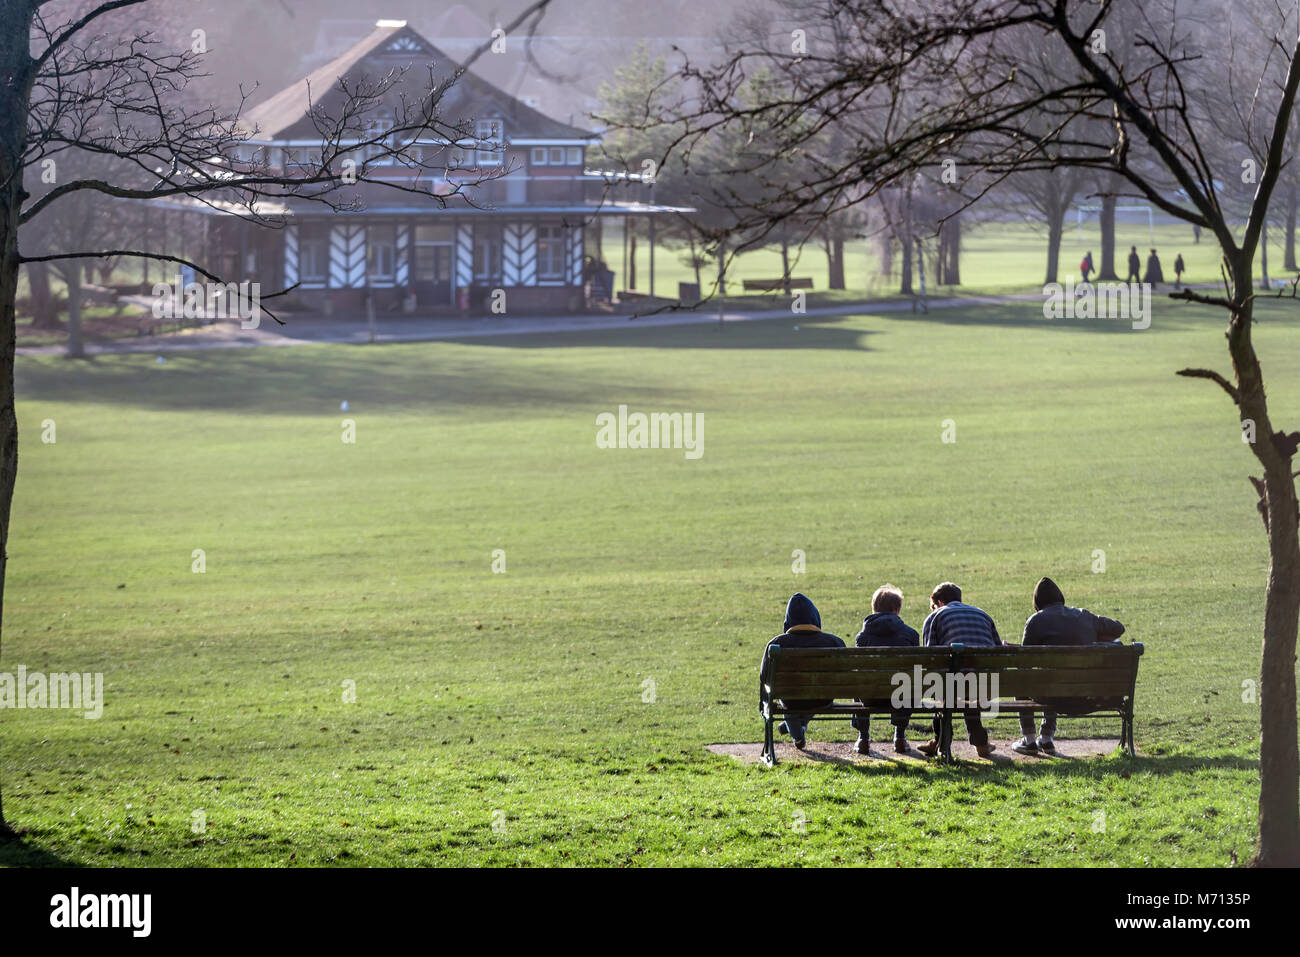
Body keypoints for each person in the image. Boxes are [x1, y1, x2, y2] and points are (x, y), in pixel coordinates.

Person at [1013, 577, 1127, 755]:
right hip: (1087, 696)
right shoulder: (1084, 616)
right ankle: (1046, 738)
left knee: (1024, 679)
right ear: (1060, 597)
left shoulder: (1036, 621)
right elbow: (1118, 628)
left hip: (1053, 696)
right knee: (1052, 678)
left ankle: (1029, 740)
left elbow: (1024, 664)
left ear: (1037, 602)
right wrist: (1092, 635)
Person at [918, 582, 1000, 758]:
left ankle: (940, 741)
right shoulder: (983, 614)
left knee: (943, 683)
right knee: (969, 685)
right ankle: (980, 743)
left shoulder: (935, 617)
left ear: (939, 602)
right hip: (987, 683)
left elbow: (930, 658)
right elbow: (999, 651)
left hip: (952, 683)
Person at [760, 593, 845, 749]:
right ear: (815, 618)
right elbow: (847, 673)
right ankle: (796, 727)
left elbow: (764, 676)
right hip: (823, 700)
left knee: (789, 701)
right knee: (810, 695)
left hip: (791, 700)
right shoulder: (834, 642)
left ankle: (797, 735)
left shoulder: (777, 643)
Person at [851, 584, 919, 755]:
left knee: (859, 680)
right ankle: (900, 738)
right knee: (908, 683)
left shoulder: (862, 637)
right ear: (897, 610)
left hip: (871, 697)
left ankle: (863, 738)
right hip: (901, 696)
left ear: (874, 609)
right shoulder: (911, 634)